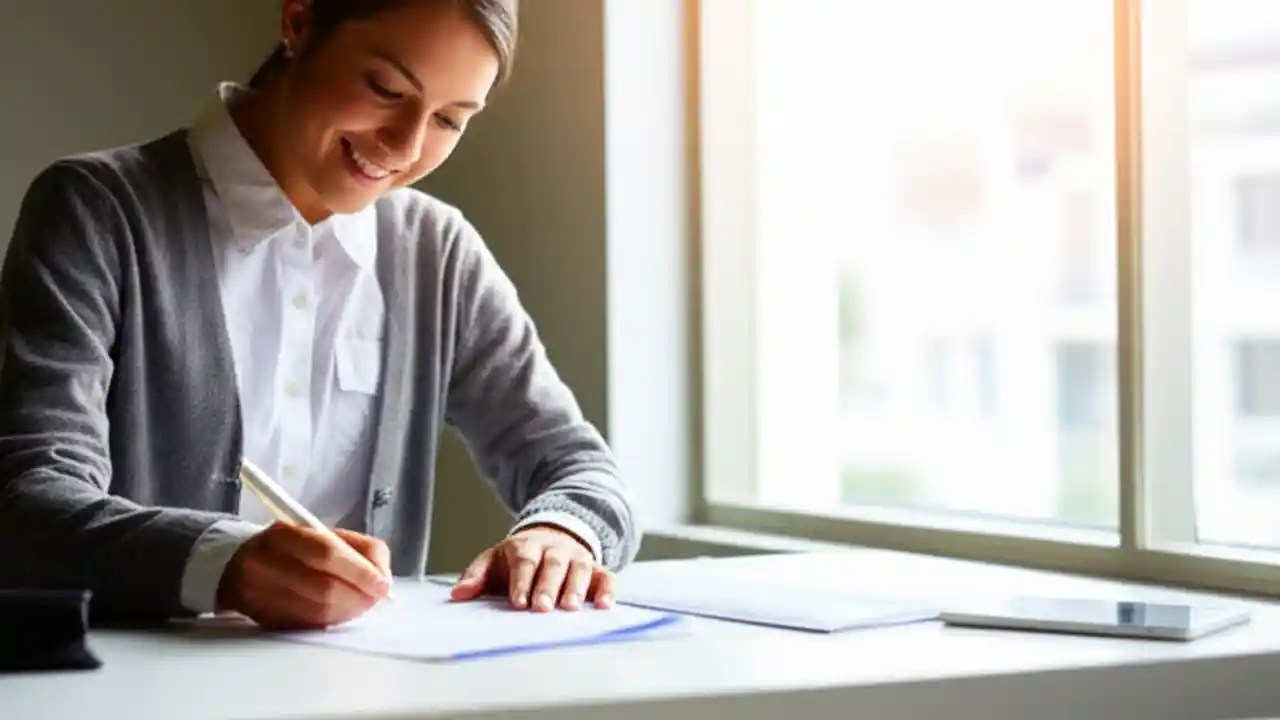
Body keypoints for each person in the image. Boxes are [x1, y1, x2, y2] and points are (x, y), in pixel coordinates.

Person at [0, 0, 638, 630]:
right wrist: (227, 564)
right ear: (298, 22)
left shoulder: (436, 254)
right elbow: (28, 505)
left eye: (449, 120)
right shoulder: (97, 213)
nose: (406, 147)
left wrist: (562, 532)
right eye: (386, 88)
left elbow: (580, 467)